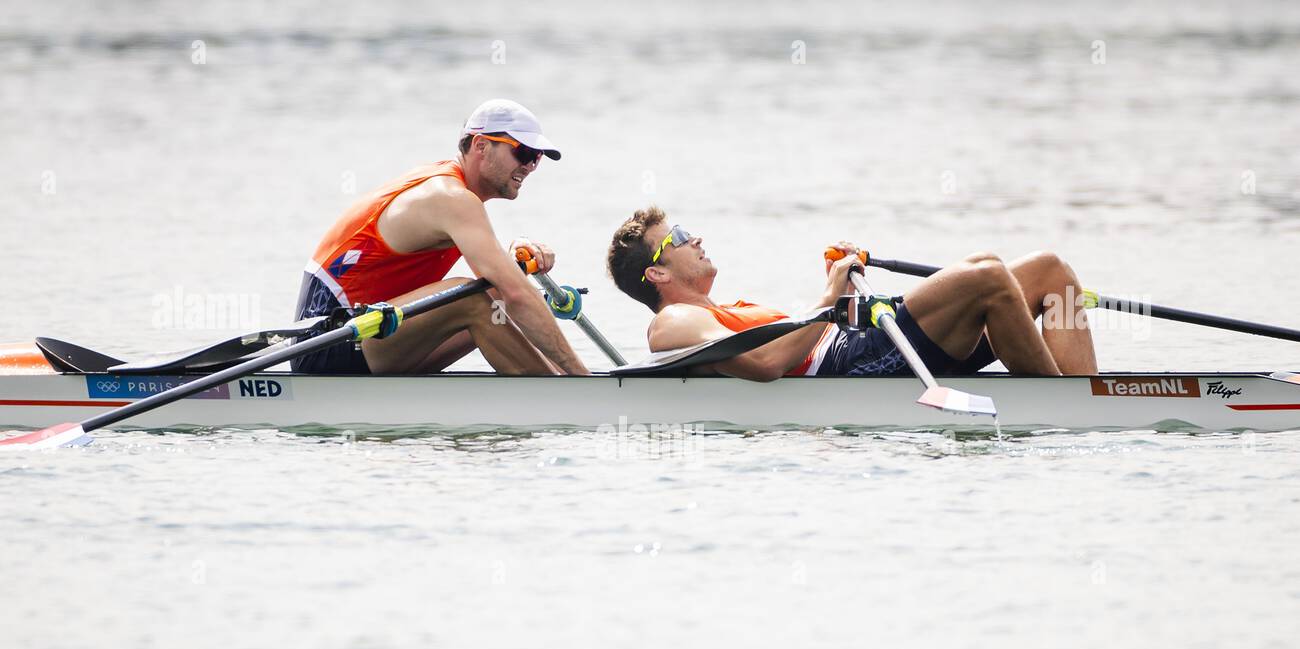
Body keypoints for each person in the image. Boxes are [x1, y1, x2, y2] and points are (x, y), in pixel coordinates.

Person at [605, 207, 1098, 380]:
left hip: (860, 339)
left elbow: (787, 340)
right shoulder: (671, 322)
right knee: (987, 273)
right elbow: (764, 364)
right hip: (849, 361)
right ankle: (1064, 406)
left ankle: (1089, 397)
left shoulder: (724, 309)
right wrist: (829, 298)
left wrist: (838, 293)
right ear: (657, 274)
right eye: (678, 237)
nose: (695, 238)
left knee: (1050, 272)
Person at [291, 99, 589, 376]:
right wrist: (582, 377)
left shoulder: (455, 195)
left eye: (536, 158)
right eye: (523, 153)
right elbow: (516, 293)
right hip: (327, 341)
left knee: (497, 296)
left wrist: (514, 254)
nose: (529, 166)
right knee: (473, 299)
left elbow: (504, 284)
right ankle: (570, 392)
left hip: (370, 332)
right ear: (481, 145)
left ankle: (561, 386)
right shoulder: (450, 197)